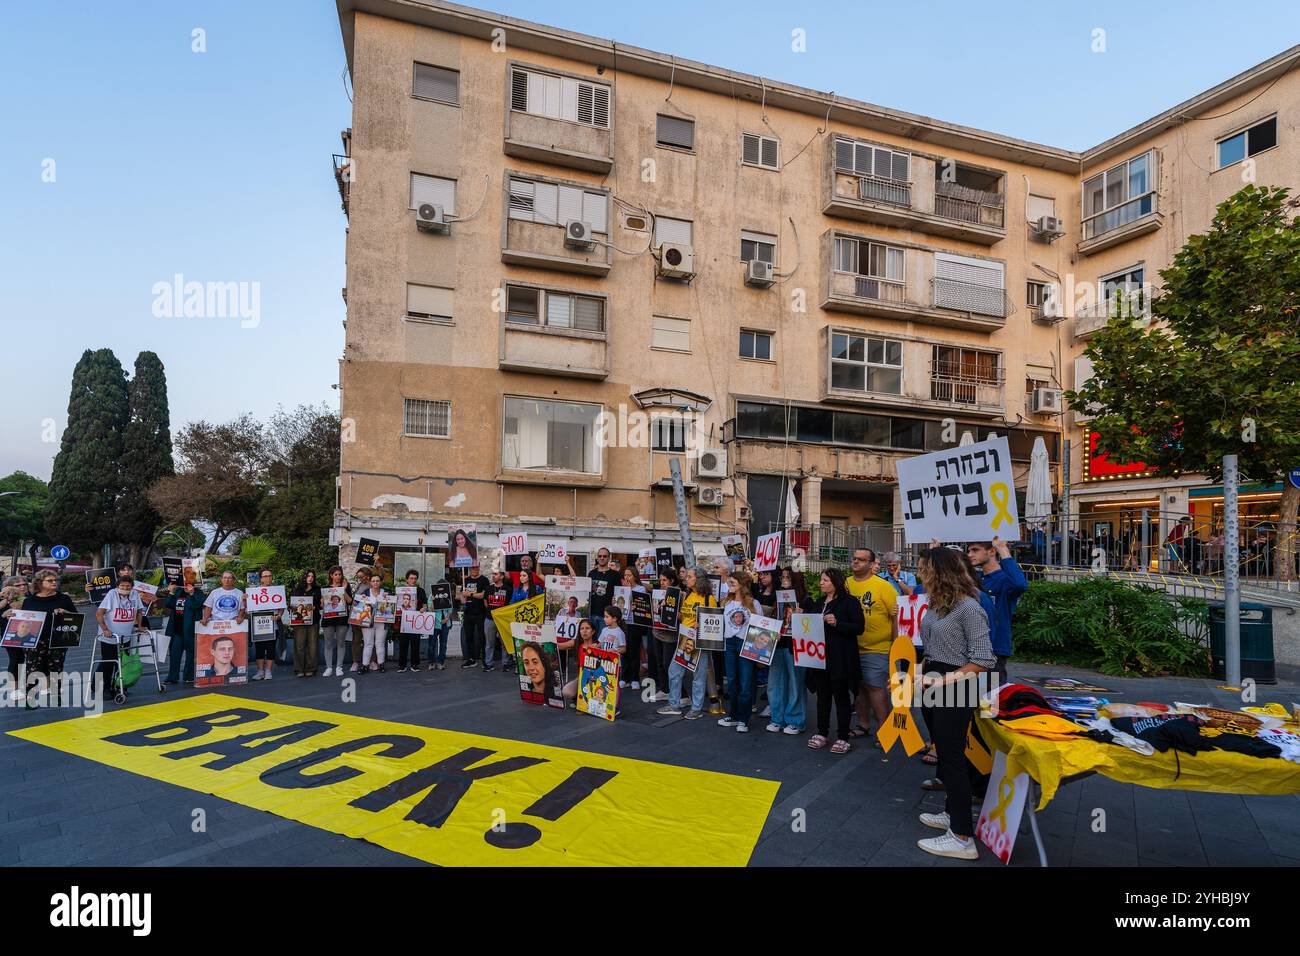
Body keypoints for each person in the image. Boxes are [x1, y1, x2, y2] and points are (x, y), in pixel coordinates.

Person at [915, 547, 996, 861]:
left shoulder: (968, 608)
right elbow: (932, 646)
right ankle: (952, 813)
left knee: (952, 758)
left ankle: (962, 838)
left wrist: (942, 681)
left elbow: (983, 659)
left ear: (939, 571)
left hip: (955, 685)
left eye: (924, 567)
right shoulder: (936, 604)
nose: (920, 572)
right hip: (933, 680)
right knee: (944, 752)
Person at [806, 567, 865, 754]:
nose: (821, 583)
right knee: (822, 697)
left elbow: (859, 627)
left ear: (836, 582)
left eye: (825, 580)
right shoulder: (818, 602)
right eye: (821, 580)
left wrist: (838, 623)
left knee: (841, 698)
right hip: (820, 657)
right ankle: (822, 732)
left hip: (840, 658)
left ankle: (842, 736)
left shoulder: (849, 602)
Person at [845, 548, 898, 741]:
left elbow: (895, 618)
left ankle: (885, 731)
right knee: (859, 688)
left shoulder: (883, 587)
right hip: (851, 647)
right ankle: (863, 724)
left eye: (861, 559)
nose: (855, 562)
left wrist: (896, 647)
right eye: (854, 558)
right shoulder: (846, 584)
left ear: (871, 564)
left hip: (877, 648)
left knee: (876, 688)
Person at [5, 569, 78, 703]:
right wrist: (13, 616)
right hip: (34, 639)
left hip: (57, 637)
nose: (54, 582)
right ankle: (30, 694)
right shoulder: (30, 600)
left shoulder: (63, 598)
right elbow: (24, 618)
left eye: (55, 580)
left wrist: (65, 612)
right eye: (50, 580)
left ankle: (55, 691)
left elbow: (75, 617)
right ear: (40, 583)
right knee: (33, 666)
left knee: (56, 665)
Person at [965, 536, 1026, 684]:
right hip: (969, 648)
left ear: (991, 551)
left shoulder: (1005, 579)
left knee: (990, 702)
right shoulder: (974, 579)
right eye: (968, 551)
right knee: (966, 701)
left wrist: (1003, 549)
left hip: (994, 649)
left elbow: (1019, 585)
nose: (969, 555)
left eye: (975, 550)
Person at [657, 565, 716, 719]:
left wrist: (701, 623)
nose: (686, 578)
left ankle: (696, 708)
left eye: (689, 576)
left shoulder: (708, 599)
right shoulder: (688, 595)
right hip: (684, 638)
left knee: (698, 676)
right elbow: (684, 617)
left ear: (699, 579)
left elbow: (714, 622)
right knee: (674, 671)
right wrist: (670, 611)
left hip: (699, 641)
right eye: (687, 576)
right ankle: (674, 704)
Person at [767, 567, 811, 734]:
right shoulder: (776, 598)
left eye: (788, 578)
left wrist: (802, 615)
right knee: (775, 683)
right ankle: (777, 718)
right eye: (783, 577)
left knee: (795, 683)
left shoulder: (806, 600)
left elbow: (811, 626)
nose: (784, 581)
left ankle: (795, 720)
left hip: (795, 647)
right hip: (777, 644)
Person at [718, 570, 760, 733]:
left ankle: (744, 719)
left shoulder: (753, 604)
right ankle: (733, 715)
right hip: (729, 644)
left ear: (742, 584)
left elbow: (761, 626)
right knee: (732, 681)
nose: (730, 585)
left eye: (733, 582)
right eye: (729, 582)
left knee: (745, 683)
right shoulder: (725, 603)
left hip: (746, 644)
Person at [95, 572, 146, 701]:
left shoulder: (134, 595)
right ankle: (105, 688)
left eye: (128, 586)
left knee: (122, 663)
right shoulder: (112, 594)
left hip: (126, 636)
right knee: (109, 662)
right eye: (122, 586)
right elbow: (99, 613)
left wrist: (139, 626)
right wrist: (105, 629)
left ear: (132, 587)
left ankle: (119, 686)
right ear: (118, 586)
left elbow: (139, 611)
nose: (125, 588)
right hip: (110, 636)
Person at [162, 567, 206, 685]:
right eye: (187, 573)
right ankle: (172, 677)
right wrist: (171, 592)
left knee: (191, 654)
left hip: (190, 629)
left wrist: (191, 594)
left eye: (193, 573)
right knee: (175, 654)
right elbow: (169, 605)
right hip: (176, 629)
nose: (190, 575)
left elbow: (196, 605)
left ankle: (189, 676)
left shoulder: (198, 592)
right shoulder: (178, 590)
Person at [647, 567, 679, 701]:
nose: (662, 583)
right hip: (657, 632)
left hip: (670, 636)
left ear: (672, 581)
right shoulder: (657, 593)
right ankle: (665, 689)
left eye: (665, 580)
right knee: (659, 662)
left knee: (668, 664)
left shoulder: (679, 594)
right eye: (661, 580)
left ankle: (679, 692)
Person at [617, 566, 647, 690]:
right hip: (624, 623)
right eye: (625, 575)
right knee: (624, 650)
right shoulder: (621, 589)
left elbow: (641, 605)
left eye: (629, 575)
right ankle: (624, 677)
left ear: (635, 576)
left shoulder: (641, 588)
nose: (627, 577)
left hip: (635, 623)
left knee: (634, 651)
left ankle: (634, 678)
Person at [1, 576, 31, 701]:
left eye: (24, 584)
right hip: (11, 635)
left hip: (30, 633)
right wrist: (4, 616)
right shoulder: (3, 601)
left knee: (32, 660)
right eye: (18, 585)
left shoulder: (30, 598)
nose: (22, 587)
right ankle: (14, 689)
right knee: (16, 659)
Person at [320, 566, 352, 677]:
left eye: (339, 574)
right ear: (331, 576)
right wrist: (322, 602)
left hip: (342, 618)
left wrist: (344, 590)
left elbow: (349, 601)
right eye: (336, 574)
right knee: (328, 643)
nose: (338, 576)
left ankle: (339, 667)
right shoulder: (325, 588)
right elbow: (322, 605)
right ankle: (329, 667)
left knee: (341, 642)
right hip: (328, 619)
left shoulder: (345, 587)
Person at [249, 568, 280, 681]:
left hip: (272, 624)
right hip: (258, 625)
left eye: (270, 576)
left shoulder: (277, 591)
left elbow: (281, 608)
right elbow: (248, 607)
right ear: (260, 578)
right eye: (265, 576)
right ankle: (260, 672)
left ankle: (268, 671)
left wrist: (279, 615)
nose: (268, 578)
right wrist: (244, 600)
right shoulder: (254, 591)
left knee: (271, 648)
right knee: (259, 649)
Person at [290, 570, 322, 677]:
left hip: (314, 621)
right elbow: (292, 604)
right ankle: (299, 669)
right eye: (308, 576)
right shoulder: (297, 589)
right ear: (304, 577)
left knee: (312, 645)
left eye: (312, 576)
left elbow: (320, 605)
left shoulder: (317, 590)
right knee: (299, 645)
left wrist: (315, 607)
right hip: (299, 622)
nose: (310, 578)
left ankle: (311, 668)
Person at [396, 569, 427, 673]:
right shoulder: (400, 590)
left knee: (415, 643)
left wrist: (424, 608)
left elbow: (424, 604)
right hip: (404, 620)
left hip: (415, 620)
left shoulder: (421, 591)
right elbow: (396, 603)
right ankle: (402, 665)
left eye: (415, 578)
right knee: (403, 644)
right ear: (407, 579)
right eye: (411, 578)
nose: (413, 580)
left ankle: (415, 664)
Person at [458, 563, 489, 669]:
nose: (475, 570)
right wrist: (463, 599)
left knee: (482, 637)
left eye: (476, 568)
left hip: (480, 612)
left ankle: (486, 659)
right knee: (468, 636)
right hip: (468, 612)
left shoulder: (484, 580)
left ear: (479, 568)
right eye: (473, 568)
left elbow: (484, 595)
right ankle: (471, 659)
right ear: (470, 569)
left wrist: (470, 594)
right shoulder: (466, 580)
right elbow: (462, 596)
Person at [562, 619, 600, 701]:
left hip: (596, 678)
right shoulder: (577, 643)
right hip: (582, 677)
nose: (584, 631)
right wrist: (541, 630)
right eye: (582, 629)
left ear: (593, 632)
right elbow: (558, 645)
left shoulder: (598, 645)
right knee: (566, 692)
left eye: (587, 628)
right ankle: (577, 698)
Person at [482, 569, 511, 672]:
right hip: (490, 619)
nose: (493, 576)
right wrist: (491, 611)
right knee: (489, 643)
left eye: (496, 574)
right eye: (492, 574)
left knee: (504, 642)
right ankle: (489, 664)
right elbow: (486, 602)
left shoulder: (508, 589)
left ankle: (505, 663)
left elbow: (510, 604)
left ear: (502, 576)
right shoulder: (489, 588)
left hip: (503, 620)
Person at [359, 573, 388, 672]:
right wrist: (361, 599)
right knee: (368, 643)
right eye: (373, 581)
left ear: (380, 582)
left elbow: (390, 608)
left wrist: (388, 599)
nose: (375, 582)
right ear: (370, 582)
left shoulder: (385, 592)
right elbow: (358, 606)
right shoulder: (366, 592)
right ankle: (365, 665)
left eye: (377, 581)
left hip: (382, 622)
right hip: (368, 621)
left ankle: (381, 665)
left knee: (380, 643)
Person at [588, 547, 621, 633]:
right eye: (600, 556)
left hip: (607, 616)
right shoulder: (591, 573)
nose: (602, 558)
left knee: (602, 643)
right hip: (591, 614)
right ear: (597, 558)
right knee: (592, 643)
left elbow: (619, 594)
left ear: (609, 558)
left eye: (604, 556)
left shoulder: (615, 575)